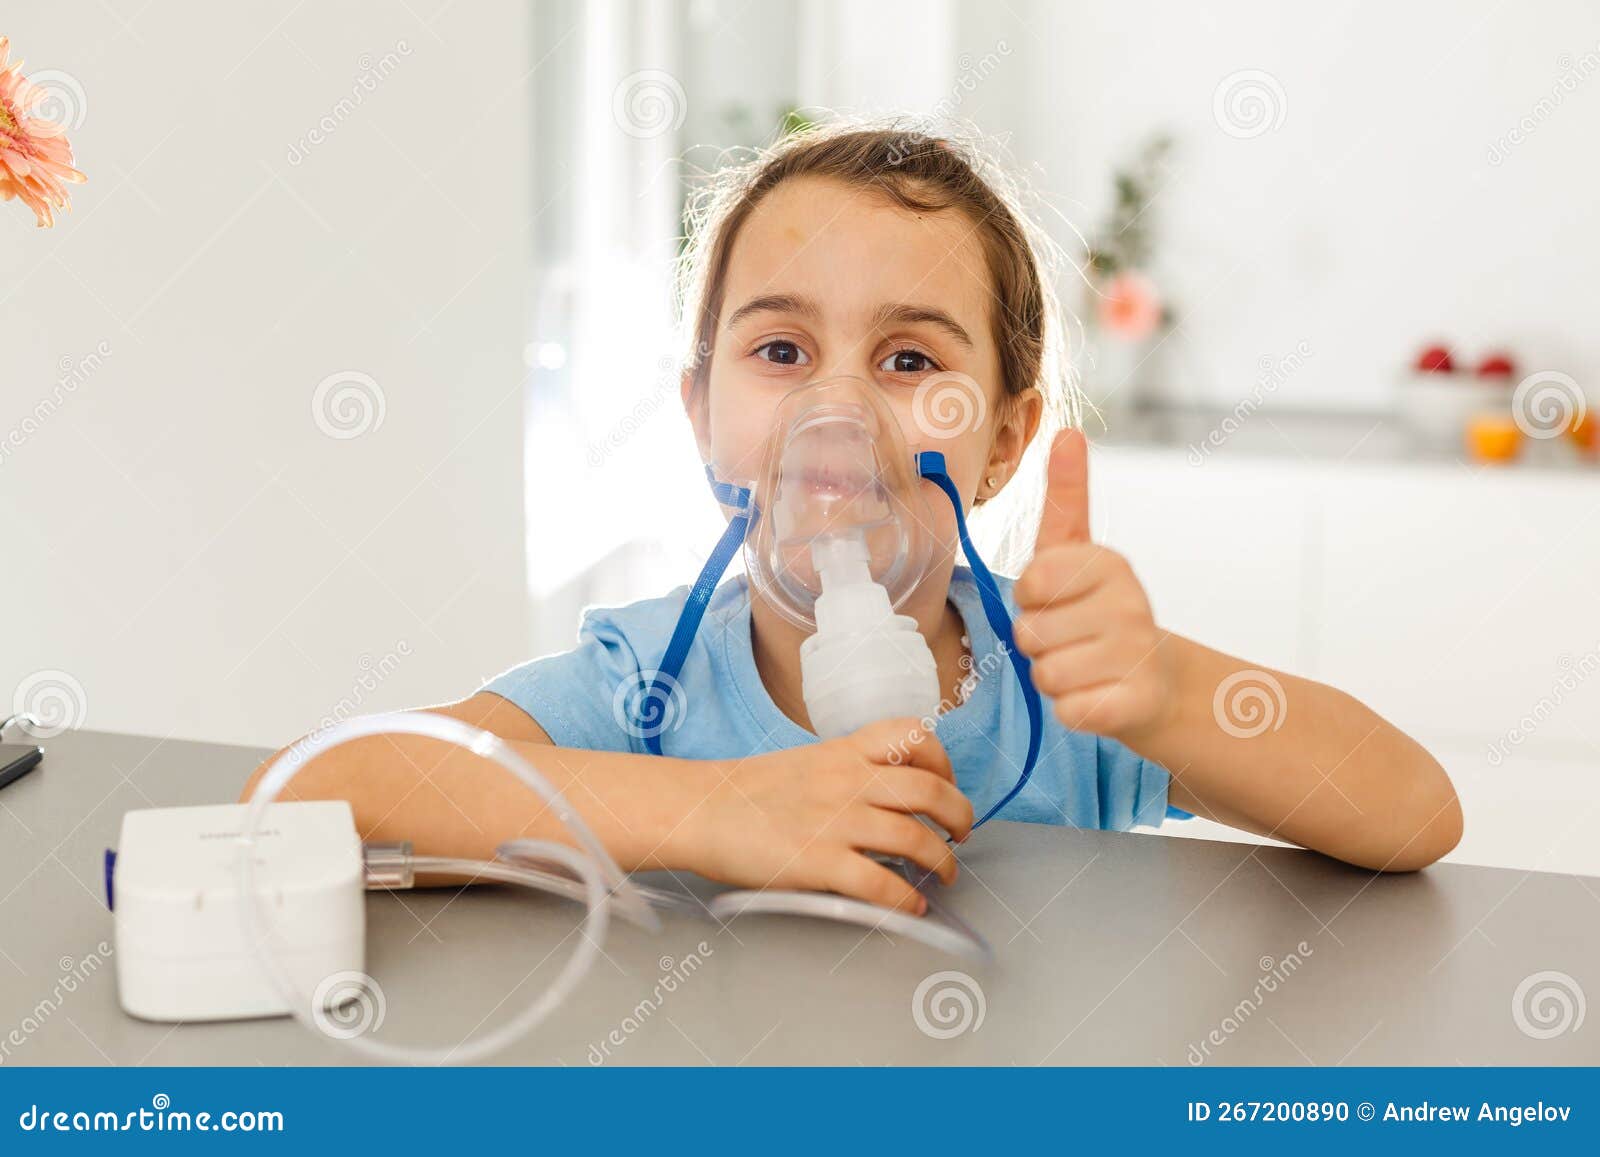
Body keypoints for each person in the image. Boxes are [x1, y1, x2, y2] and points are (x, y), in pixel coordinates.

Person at [242, 124, 1461, 914]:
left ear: (1003, 438)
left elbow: (1414, 812)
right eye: (780, 348)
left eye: (906, 357)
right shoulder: (647, 689)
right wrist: (716, 813)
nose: (835, 412)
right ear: (703, 411)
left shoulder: (1063, 686)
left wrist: (1169, 690)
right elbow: (312, 789)